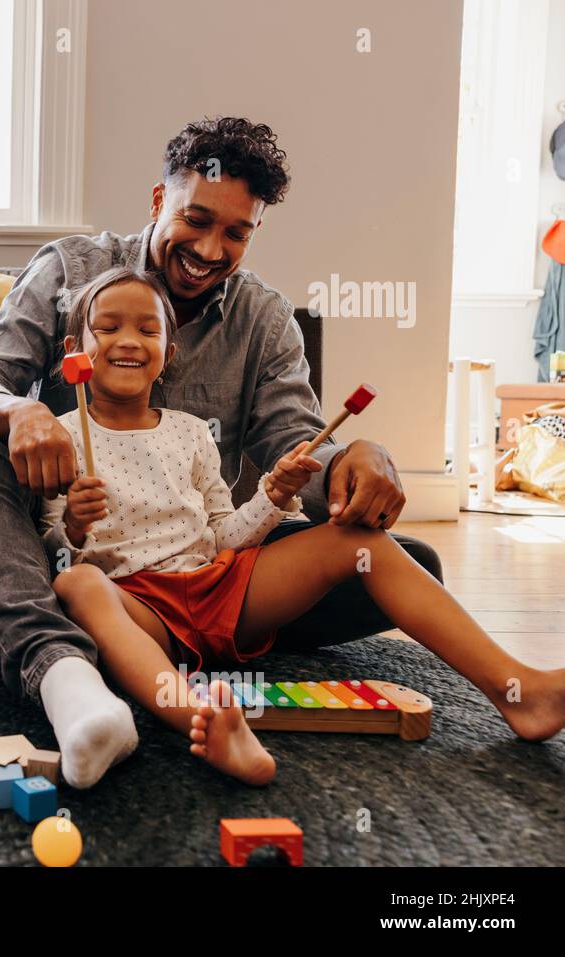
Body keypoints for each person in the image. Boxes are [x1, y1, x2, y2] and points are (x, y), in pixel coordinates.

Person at [0, 116, 442, 789]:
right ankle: (62, 665)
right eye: (196, 219)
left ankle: (160, 641)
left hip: (200, 564)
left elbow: (294, 442)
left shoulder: (264, 318)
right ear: (159, 200)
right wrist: (22, 410)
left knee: (413, 562)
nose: (210, 248)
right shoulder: (69, 268)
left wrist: (353, 458)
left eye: (236, 232)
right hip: (69, 562)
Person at [43, 266, 565, 787]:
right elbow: (52, 549)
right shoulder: (60, 437)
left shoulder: (191, 433)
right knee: (77, 582)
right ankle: (202, 721)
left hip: (217, 588)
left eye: (148, 330)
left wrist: (275, 492)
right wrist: (73, 523)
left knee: (358, 542)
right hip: (139, 612)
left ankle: (518, 688)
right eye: (108, 328)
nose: (128, 341)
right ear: (75, 348)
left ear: (169, 353)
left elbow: (225, 535)